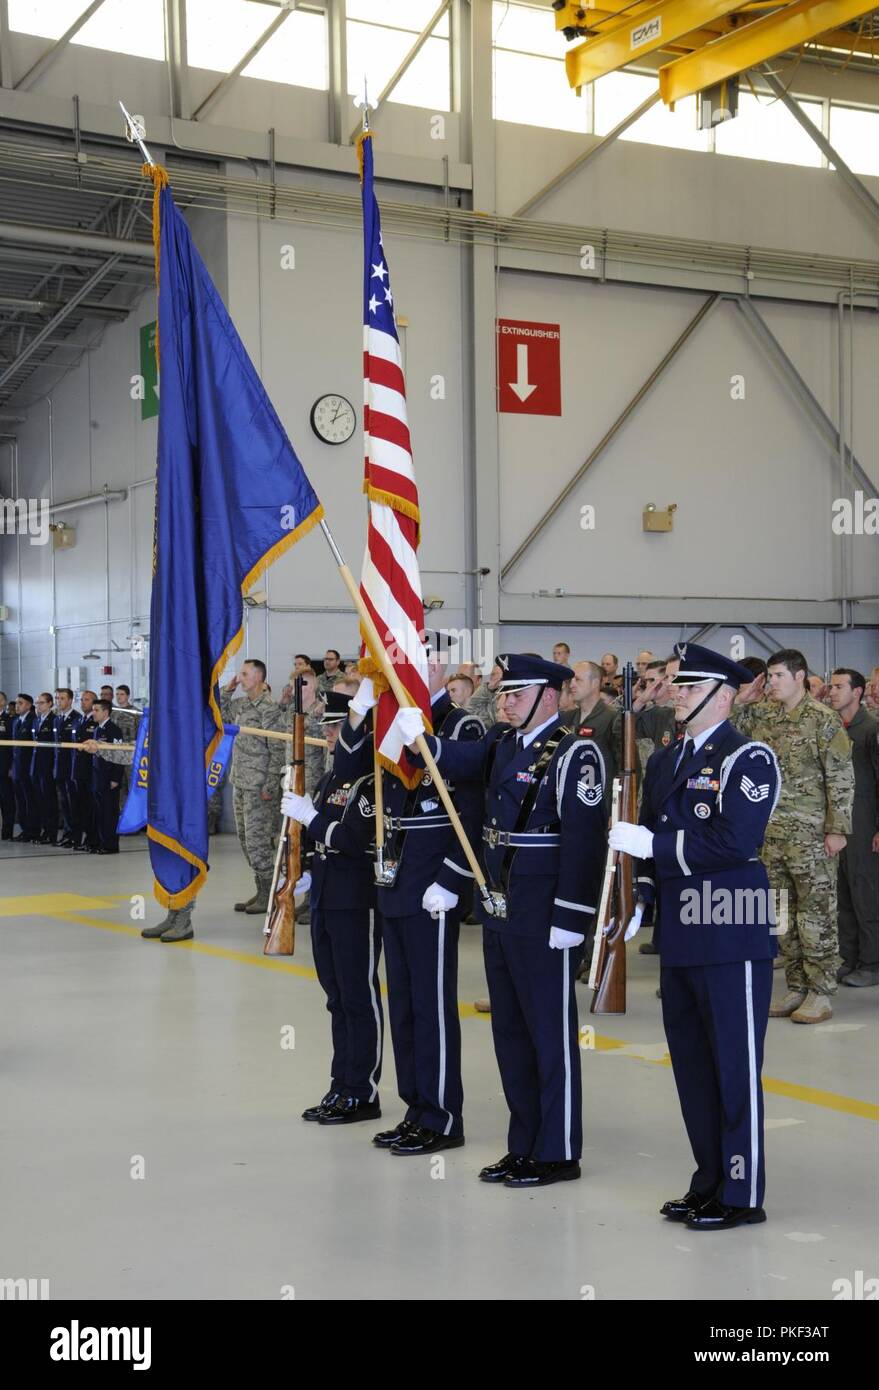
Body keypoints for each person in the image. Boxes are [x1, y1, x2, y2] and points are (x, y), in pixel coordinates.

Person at [401, 653, 607, 1188]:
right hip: (502, 906)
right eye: (503, 693)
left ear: (549, 694)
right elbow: (463, 761)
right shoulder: (502, 742)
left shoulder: (575, 753)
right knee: (510, 1032)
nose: (505, 701)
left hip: (544, 911)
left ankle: (558, 1151)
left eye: (516, 693)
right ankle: (524, 1145)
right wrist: (421, 737)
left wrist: (573, 914)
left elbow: (584, 843)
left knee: (550, 1033)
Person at [611, 642, 781, 1230]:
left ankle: (741, 1190)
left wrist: (652, 848)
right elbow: (661, 840)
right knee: (691, 1065)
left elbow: (733, 843)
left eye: (690, 687)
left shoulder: (748, 758)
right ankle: (708, 1179)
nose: (677, 695)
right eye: (678, 686)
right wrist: (644, 899)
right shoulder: (666, 761)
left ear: (725, 696)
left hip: (731, 923)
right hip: (683, 929)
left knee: (734, 1064)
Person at [333, 634, 484, 1157]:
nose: (406, 669)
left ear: (439, 668)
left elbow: (473, 808)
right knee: (404, 1006)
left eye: (419, 662)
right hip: (393, 879)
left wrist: (452, 876)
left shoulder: (461, 724)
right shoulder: (391, 715)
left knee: (433, 1005)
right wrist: (362, 706)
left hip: (432, 887)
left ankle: (443, 1116)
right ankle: (416, 1108)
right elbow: (348, 770)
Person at [735, 648, 853, 1024]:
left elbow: (840, 777)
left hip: (811, 834)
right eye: (768, 677)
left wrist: (837, 829)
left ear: (800, 676)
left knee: (816, 915)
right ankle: (797, 986)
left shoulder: (823, 719)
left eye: (778, 677)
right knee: (781, 914)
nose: (771, 683)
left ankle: (820, 992)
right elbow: (729, 729)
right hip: (772, 834)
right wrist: (744, 698)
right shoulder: (764, 715)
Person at [281, 689, 383, 1123]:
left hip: (356, 901)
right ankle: (341, 1084)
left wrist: (311, 818)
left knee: (359, 997)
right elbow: (322, 844)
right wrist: (305, 872)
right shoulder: (329, 780)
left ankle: (363, 1091)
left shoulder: (369, 781)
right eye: (326, 728)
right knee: (336, 997)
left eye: (336, 727)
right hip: (326, 896)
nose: (329, 736)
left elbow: (355, 840)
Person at [220, 659, 286, 916]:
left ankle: (271, 894)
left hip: (259, 786)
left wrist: (270, 784)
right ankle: (261, 890)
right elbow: (219, 712)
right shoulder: (242, 704)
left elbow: (278, 749)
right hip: (240, 781)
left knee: (259, 842)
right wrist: (230, 687)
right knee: (246, 841)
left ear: (259, 677)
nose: (241, 677)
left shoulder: (268, 709)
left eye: (245, 674)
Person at [829, 669, 879, 987]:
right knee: (843, 892)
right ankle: (849, 957)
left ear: (857, 692)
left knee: (866, 893)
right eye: (831, 686)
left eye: (838, 687)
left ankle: (872, 963)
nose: (832, 692)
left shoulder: (870, 729)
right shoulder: (835, 728)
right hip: (841, 824)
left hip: (864, 823)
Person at [88, 699, 123, 853]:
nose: (93, 713)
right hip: (98, 776)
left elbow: (119, 755)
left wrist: (115, 778)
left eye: (96, 710)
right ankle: (101, 842)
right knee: (99, 812)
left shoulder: (114, 730)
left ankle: (110, 844)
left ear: (105, 712)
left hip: (109, 778)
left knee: (109, 813)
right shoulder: (97, 730)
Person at [53, 687, 82, 848]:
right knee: (63, 803)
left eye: (62, 698)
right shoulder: (57, 719)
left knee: (73, 804)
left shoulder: (77, 718)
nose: (59, 701)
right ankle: (67, 833)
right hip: (60, 768)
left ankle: (75, 836)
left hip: (71, 768)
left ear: (70, 700)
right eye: (57, 698)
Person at [70, 691, 97, 851]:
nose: (83, 702)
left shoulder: (95, 723)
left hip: (90, 771)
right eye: (82, 700)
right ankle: (79, 838)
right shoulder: (78, 720)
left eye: (87, 700)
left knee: (90, 807)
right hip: (78, 770)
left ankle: (92, 838)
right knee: (79, 807)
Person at [11, 694, 38, 842]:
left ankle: (32, 830)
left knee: (29, 800)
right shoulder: (16, 721)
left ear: (28, 705)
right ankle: (24, 829)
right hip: (17, 768)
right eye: (16, 703)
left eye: (20, 703)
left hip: (28, 768)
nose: (17, 706)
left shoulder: (32, 721)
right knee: (21, 800)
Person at [0, 692, 14, 840]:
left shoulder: (9, 720)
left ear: (3, 702)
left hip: (3, 767)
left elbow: (12, 747)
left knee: (7, 801)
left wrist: (11, 766)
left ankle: (7, 832)